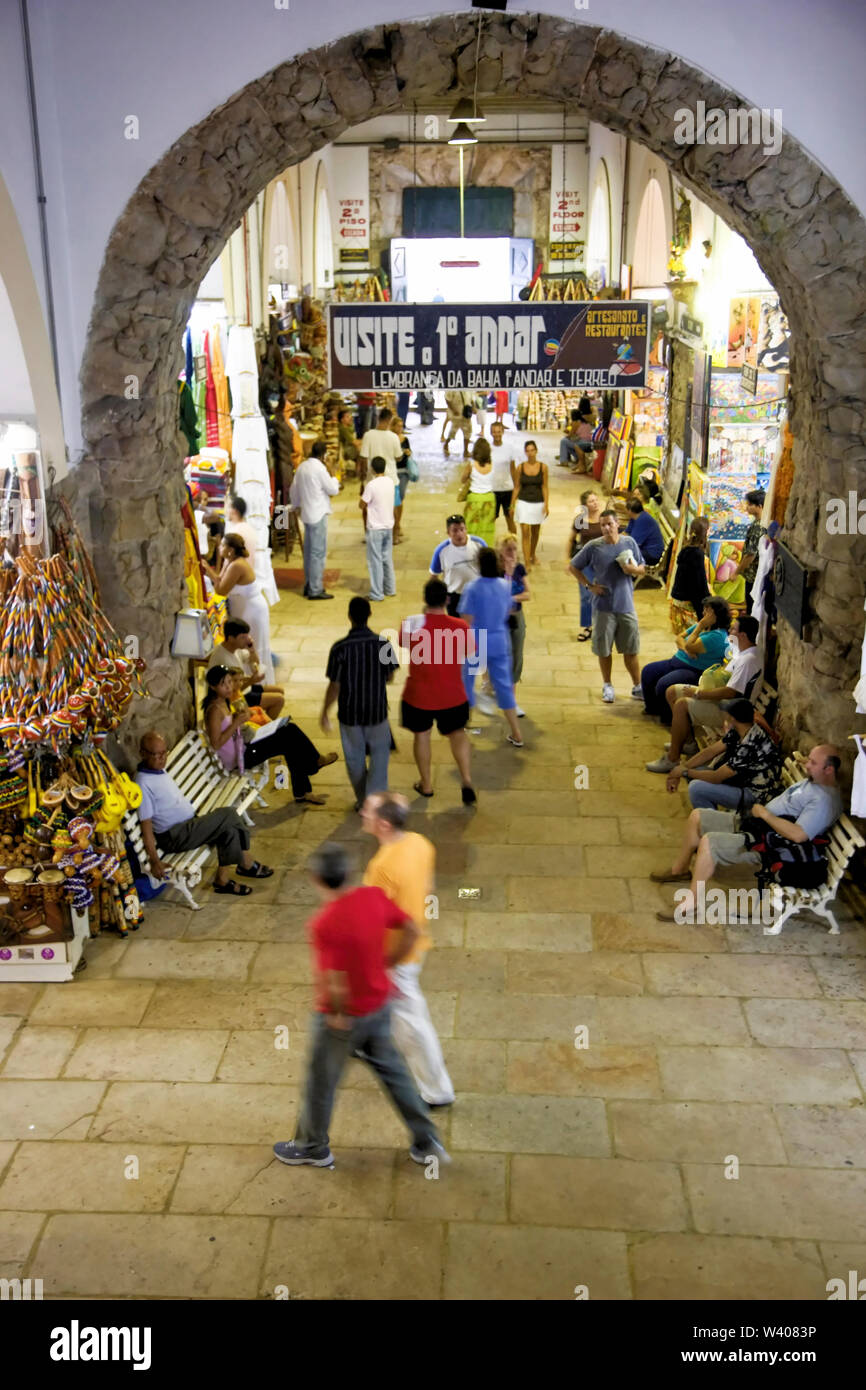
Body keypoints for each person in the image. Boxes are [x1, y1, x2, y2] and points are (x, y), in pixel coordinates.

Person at [273, 843, 449, 1169]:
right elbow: (410, 929)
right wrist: (388, 965)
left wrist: (338, 1014)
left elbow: (334, 977)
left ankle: (313, 1147)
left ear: (316, 879)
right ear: (349, 873)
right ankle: (427, 1141)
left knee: (321, 1082)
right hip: (380, 1005)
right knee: (396, 1075)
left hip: (344, 1019)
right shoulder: (373, 897)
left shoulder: (324, 924)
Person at [650, 745, 842, 923]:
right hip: (756, 824)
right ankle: (680, 870)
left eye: (813, 763)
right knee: (697, 817)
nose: (807, 765)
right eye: (808, 760)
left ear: (829, 770)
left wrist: (765, 815)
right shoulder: (817, 781)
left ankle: (691, 904)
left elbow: (799, 835)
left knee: (709, 842)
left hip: (768, 844)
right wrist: (807, 760)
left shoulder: (823, 801)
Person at [361, 794, 455, 1106]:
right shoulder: (420, 842)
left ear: (383, 824)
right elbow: (427, 886)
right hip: (416, 943)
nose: (362, 813)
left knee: (412, 1023)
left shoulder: (382, 867)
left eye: (368, 811)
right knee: (397, 1013)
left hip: (396, 955)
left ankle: (437, 1090)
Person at [135, 730, 273, 896]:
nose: (162, 758)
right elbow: (146, 825)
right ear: (143, 754)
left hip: (189, 826)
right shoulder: (143, 783)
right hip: (175, 836)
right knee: (229, 814)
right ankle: (246, 863)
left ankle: (222, 880)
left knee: (228, 829)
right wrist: (155, 860)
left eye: (165, 753)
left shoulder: (157, 769)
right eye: (156, 755)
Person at [204, 666, 337, 807]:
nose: (229, 687)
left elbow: (229, 727)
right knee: (289, 735)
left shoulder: (223, 701)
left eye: (230, 682)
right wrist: (236, 722)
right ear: (213, 687)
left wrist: (239, 717)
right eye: (223, 684)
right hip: (241, 758)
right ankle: (314, 764)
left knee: (289, 735)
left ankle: (304, 789)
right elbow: (216, 744)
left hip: (244, 747)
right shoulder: (214, 710)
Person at [647, 614, 764, 772]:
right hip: (720, 698)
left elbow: (730, 692)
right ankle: (688, 744)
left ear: (742, 635)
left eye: (733, 629)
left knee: (681, 705)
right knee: (672, 692)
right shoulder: (742, 652)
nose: (729, 631)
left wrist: (699, 694)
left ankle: (672, 759)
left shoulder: (748, 660)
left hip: (730, 710)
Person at [399, 577, 476, 804]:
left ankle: (427, 785)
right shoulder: (460, 627)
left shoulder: (411, 623)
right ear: (447, 599)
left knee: (422, 736)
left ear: (424, 598)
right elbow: (470, 653)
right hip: (452, 694)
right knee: (458, 736)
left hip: (419, 694)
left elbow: (403, 643)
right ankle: (466, 780)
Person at [322, 597, 400, 810]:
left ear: (349, 616)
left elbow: (334, 686)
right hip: (377, 711)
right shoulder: (383, 643)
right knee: (379, 758)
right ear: (369, 615)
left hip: (350, 713)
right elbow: (390, 676)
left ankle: (363, 801)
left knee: (354, 760)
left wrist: (324, 712)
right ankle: (375, 800)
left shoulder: (339, 648)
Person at [570, 508, 646, 703]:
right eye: (603, 525)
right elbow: (573, 566)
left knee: (631, 649)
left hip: (626, 605)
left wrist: (632, 569)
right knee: (604, 649)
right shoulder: (594, 547)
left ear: (617, 525)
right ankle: (607, 685)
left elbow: (642, 568)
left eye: (609, 524)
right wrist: (590, 586)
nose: (606, 528)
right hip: (604, 607)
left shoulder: (628, 543)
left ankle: (637, 686)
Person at [661, 698, 781, 813]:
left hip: (755, 796)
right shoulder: (744, 729)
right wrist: (683, 767)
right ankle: (710, 816)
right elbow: (711, 751)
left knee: (696, 788)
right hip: (744, 782)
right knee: (696, 772)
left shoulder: (749, 745)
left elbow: (716, 777)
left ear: (733, 718)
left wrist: (683, 772)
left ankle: (711, 825)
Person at [459, 547, 524, 747]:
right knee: (504, 685)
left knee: (467, 681)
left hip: (476, 640)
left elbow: (466, 617)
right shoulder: (505, 585)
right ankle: (516, 733)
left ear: (478, 564)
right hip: (499, 639)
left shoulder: (472, 588)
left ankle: (464, 725)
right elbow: (510, 609)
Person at [640, 596, 732, 724]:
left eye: (708, 611)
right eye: (704, 609)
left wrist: (699, 627)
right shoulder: (705, 627)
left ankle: (669, 719)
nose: (703, 613)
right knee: (648, 672)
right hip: (677, 661)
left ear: (716, 614)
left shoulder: (716, 636)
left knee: (663, 685)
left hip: (693, 670)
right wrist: (686, 650)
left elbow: (689, 644)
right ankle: (653, 708)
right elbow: (679, 637)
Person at [202, 533, 275, 681]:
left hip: (253, 610)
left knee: (252, 644)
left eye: (222, 545)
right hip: (243, 608)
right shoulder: (229, 561)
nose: (219, 547)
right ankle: (246, 680)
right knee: (242, 647)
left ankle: (258, 682)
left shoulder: (237, 565)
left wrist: (207, 570)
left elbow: (220, 590)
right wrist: (216, 560)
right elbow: (220, 579)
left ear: (231, 549)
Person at [289, 439, 340, 600]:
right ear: (323, 454)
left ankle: (308, 585)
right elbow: (333, 490)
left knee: (309, 553)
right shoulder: (320, 469)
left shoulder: (302, 467)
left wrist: (296, 505)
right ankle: (316, 589)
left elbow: (294, 490)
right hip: (318, 514)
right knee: (317, 553)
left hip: (306, 514)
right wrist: (334, 477)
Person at [207, 617, 285, 721]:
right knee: (279, 700)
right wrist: (252, 680)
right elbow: (233, 690)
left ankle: (264, 721)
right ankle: (265, 729)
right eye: (243, 637)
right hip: (236, 697)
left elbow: (255, 663)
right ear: (231, 638)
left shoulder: (235, 648)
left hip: (243, 688)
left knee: (280, 690)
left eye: (247, 635)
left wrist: (252, 650)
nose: (248, 639)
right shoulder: (223, 659)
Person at [497, 532, 529, 717]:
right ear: (500, 551)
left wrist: (510, 598)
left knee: (516, 656)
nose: (512, 552)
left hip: (516, 617)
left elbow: (528, 594)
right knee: (501, 657)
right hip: (499, 620)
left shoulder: (519, 569)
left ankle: (512, 700)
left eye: (514, 549)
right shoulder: (495, 570)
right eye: (508, 549)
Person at [429, 513, 485, 617]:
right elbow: (434, 577)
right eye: (455, 530)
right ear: (448, 533)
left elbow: (490, 568)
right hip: (454, 597)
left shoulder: (479, 544)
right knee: (457, 629)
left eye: (462, 529)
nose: (459, 534)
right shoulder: (441, 550)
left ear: (466, 529)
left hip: (477, 594)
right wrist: (436, 600)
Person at [566, 489, 603, 642]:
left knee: (604, 594)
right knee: (586, 595)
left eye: (596, 500)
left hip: (602, 562)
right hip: (585, 563)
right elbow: (571, 540)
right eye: (591, 501)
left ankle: (602, 625)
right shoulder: (580, 520)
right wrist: (568, 561)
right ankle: (588, 626)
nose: (595, 503)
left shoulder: (605, 518)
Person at [359, 457, 396, 601]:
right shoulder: (390, 482)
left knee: (375, 560)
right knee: (387, 558)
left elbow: (362, 504)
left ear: (372, 469)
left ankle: (377, 593)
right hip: (388, 525)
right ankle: (390, 588)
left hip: (375, 527)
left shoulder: (371, 485)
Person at [669, 517, 711, 635]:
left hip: (677, 603)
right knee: (691, 644)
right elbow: (698, 587)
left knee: (683, 641)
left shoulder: (686, 549)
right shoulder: (697, 554)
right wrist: (704, 608)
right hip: (688, 605)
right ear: (705, 532)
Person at [511, 440, 549, 568]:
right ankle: (527, 561)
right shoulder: (520, 468)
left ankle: (532, 554)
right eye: (528, 451)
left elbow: (545, 486)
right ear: (525, 452)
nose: (530, 453)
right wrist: (512, 504)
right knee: (525, 531)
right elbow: (516, 487)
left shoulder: (543, 467)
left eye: (532, 450)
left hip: (538, 502)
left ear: (536, 451)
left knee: (535, 531)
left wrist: (546, 504)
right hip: (523, 502)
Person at [359, 407, 403, 506]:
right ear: (390, 420)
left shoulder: (368, 435)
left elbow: (363, 458)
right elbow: (398, 457)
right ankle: (396, 522)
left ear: (378, 418)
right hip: (391, 479)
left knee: (369, 507)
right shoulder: (394, 437)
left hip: (372, 479)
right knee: (394, 505)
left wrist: (362, 479)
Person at [459, 438, 496, 548]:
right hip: (489, 498)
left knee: (472, 527)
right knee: (487, 528)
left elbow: (462, 479)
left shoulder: (471, 465)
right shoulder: (492, 464)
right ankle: (486, 550)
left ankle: (472, 550)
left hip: (474, 498)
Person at [735, 489, 767, 614]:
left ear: (759, 506)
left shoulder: (757, 527)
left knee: (752, 607)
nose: (747, 507)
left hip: (753, 577)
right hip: (759, 575)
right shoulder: (763, 522)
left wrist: (737, 572)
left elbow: (750, 555)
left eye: (750, 504)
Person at [389, 414, 413, 543]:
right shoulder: (391, 439)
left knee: (400, 497)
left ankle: (397, 522)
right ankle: (396, 525)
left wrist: (408, 453)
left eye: (401, 425)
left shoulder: (405, 439)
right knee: (395, 500)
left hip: (403, 471)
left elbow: (409, 451)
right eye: (398, 425)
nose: (400, 427)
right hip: (393, 470)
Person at [489, 420, 517, 528]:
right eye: (494, 432)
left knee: (510, 520)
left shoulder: (509, 448)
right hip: (492, 490)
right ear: (491, 433)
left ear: (503, 432)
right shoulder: (488, 448)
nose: (497, 434)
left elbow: (513, 470)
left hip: (507, 490)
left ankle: (513, 543)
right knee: (490, 520)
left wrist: (516, 488)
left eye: (499, 431)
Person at [625, 498, 665, 566]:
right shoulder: (634, 517)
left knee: (623, 554)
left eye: (626, 509)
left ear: (630, 511)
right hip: (643, 548)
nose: (625, 511)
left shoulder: (643, 520)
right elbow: (626, 533)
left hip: (652, 555)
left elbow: (634, 544)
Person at [226, 494, 258, 561]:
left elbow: (228, 562)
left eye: (228, 507)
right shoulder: (250, 529)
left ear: (234, 510)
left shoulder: (234, 533)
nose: (226, 511)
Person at [337, 407, 361, 471]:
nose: (350, 418)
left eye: (350, 416)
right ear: (342, 420)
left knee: (360, 447)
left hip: (349, 446)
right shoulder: (343, 429)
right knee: (361, 451)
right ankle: (357, 471)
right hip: (345, 449)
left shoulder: (347, 426)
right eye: (347, 417)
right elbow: (355, 443)